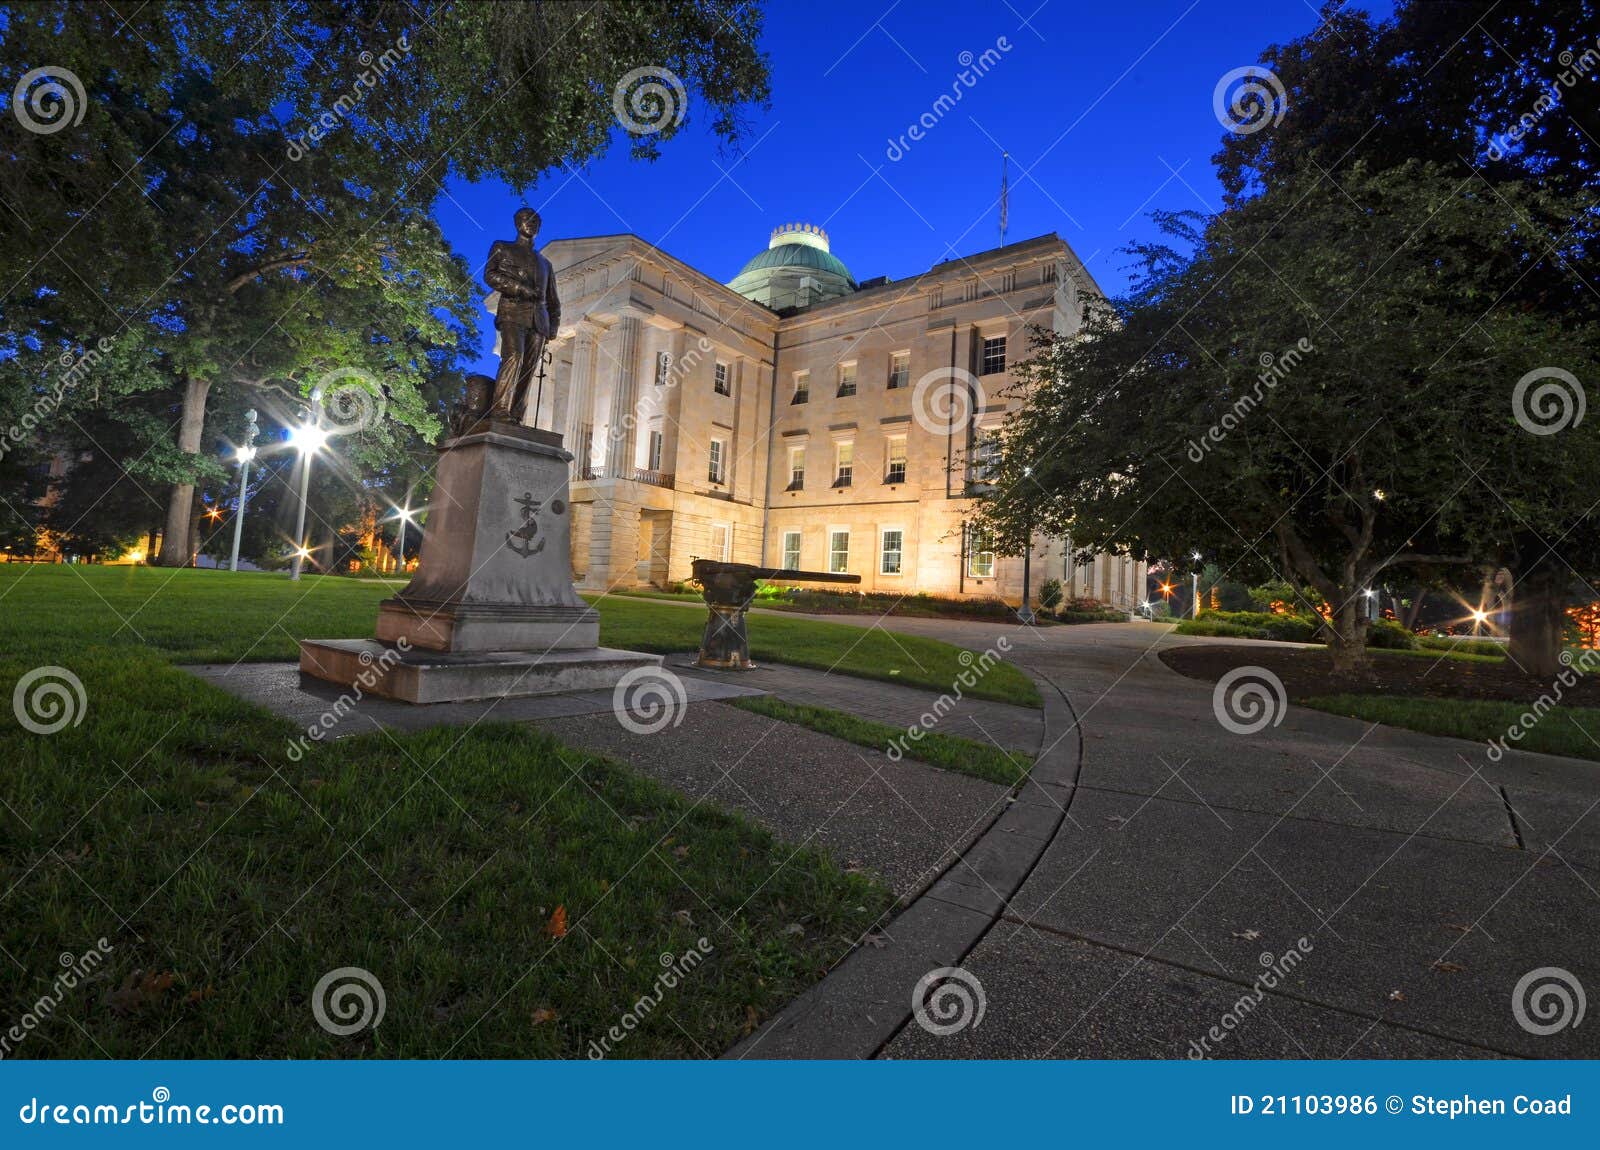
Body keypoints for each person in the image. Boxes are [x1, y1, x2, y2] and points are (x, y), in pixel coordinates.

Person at [484, 207, 562, 422]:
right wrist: (519, 288)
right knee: (513, 356)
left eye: (536, 221)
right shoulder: (503, 248)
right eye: (528, 219)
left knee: (529, 367)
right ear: (518, 223)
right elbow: (490, 275)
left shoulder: (545, 264)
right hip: (512, 312)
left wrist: (553, 327)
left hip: (539, 321)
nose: (532, 224)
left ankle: (517, 415)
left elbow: (553, 301)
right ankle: (500, 410)